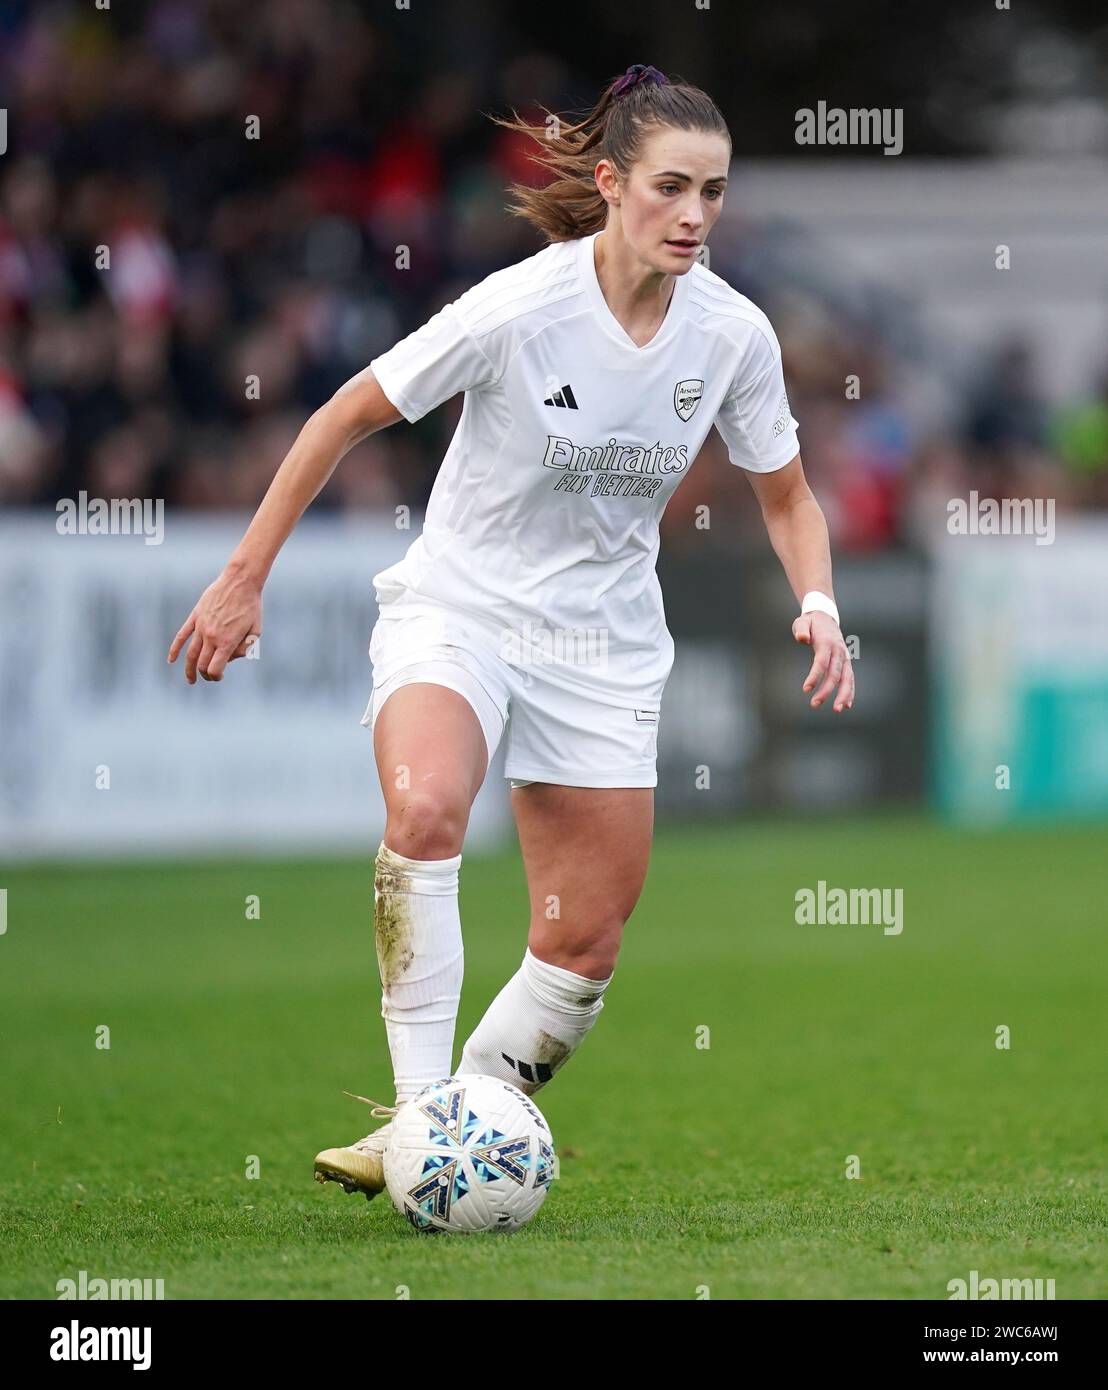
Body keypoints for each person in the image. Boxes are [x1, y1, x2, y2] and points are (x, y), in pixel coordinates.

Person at [167, 62, 854, 1203]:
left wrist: (819, 604)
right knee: (426, 808)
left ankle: (437, 1130)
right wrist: (244, 579)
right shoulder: (519, 307)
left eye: (715, 193)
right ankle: (418, 1110)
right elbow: (345, 412)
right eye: (672, 187)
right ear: (610, 183)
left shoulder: (731, 336)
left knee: (583, 941)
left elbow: (785, 495)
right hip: (462, 609)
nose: (694, 216)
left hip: (604, 648)